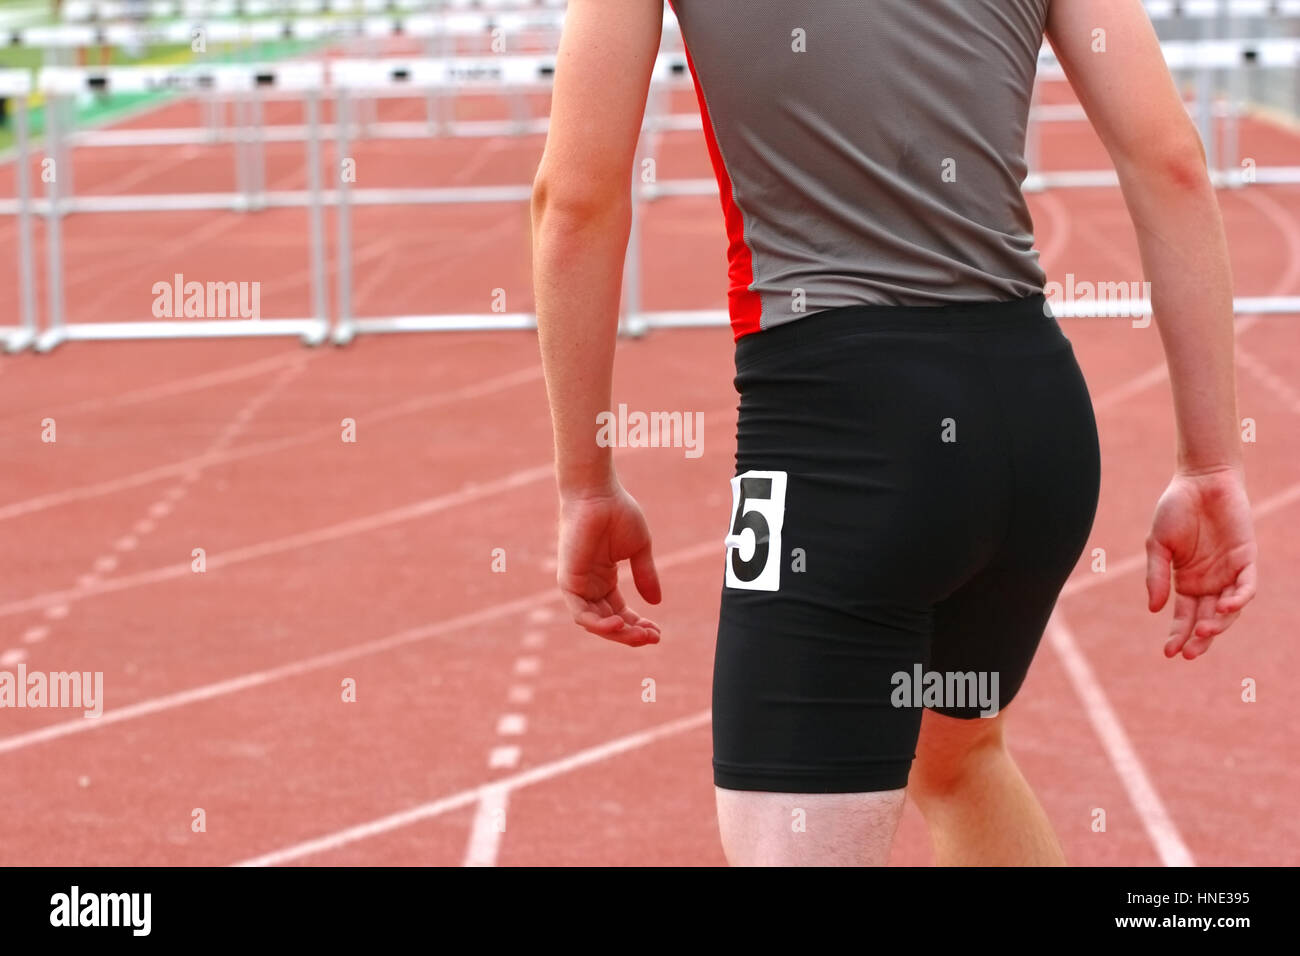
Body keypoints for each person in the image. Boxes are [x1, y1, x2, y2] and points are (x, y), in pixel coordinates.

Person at [530, 0, 1258, 866]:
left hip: (840, 432)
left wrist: (586, 482)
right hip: (1033, 415)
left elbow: (575, 198)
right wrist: (1210, 463)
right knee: (956, 763)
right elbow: (1171, 163)